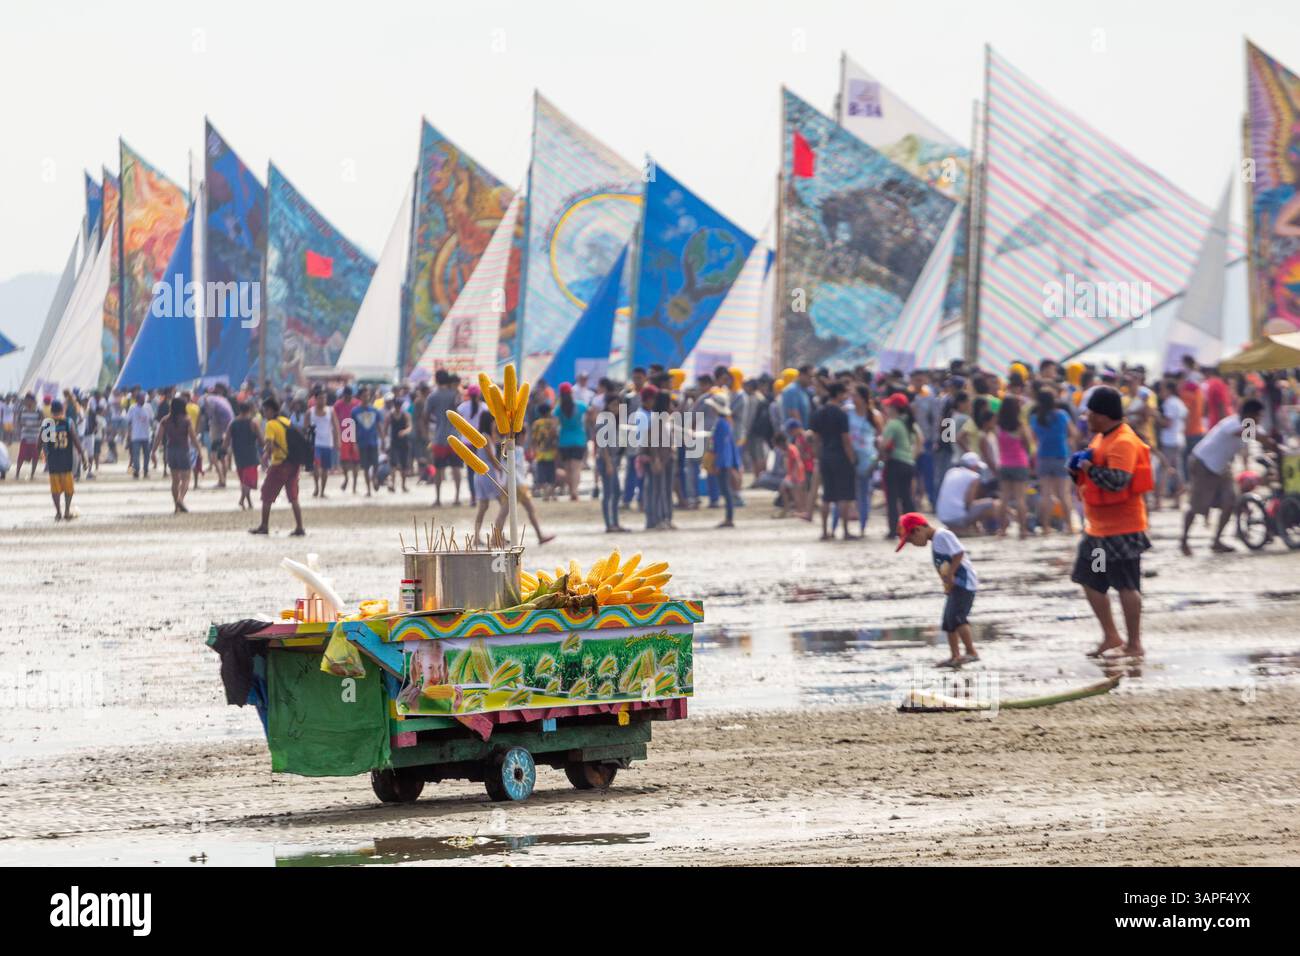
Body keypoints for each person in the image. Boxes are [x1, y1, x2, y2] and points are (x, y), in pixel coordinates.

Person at [1070, 386, 1153, 659]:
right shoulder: (1101, 438)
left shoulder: (1123, 442)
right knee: (1090, 579)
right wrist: (1077, 470)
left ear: (1101, 415)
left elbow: (1119, 481)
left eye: (1090, 414)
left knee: (1126, 586)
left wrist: (1090, 469)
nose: (1087, 419)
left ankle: (1135, 644)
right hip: (1098, 530)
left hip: (1123, 530)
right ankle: (1111, 636)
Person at [1181, 398, 1267, 555]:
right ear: (1250, 415)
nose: (1259, 419)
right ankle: (1184, 541)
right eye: (1258, 416)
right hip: (1204, 463)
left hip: (1222, 467)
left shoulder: (1250, 427)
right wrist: (1268, 440)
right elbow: (1248, 435)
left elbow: (1250, 444)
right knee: (1197, 506)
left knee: (1230, 501)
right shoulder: (1232, 423)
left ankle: (1216, 541)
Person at [896, 512, 980, 669]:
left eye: (911, 540)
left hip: (964, 584)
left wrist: (951, 573)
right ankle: (955, 656)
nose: (913, 544)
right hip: (954, 586)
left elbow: (958, 553)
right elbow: (943, 566)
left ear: (918, 529)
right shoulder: (936, 541)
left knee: (958, 618)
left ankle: (971, 652)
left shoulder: (942, 535)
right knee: (948, 621)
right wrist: (947, 584)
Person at [250, 396, 306, 537]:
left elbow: (269, 444)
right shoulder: (286, 421)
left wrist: (265, 456)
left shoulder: (271, 424)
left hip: (280, 464)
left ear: (271, 410)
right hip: (293, 463)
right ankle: (300, 527)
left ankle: (264, 526)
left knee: (266, 495)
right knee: (293, 497)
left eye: (265, 410)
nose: (264, 413)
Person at [810, 381, 857, 539]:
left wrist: (819, 455)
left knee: (827, 496)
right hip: (841, 456)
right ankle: (845, 531)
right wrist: (852, 458)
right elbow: (846, 439)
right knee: (844, 495)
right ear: (838, 394)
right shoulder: (841, 414)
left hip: (825, 456)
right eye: (844, 393)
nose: (845, 397)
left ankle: (825, 532)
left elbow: (816, 439)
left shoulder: (818, 413)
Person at [1029, 388, 1078, 535]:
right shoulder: (1062, 415)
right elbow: (1074, 433)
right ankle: (1069, 526)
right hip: (1061, 456)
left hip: (1043, 456)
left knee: (1045, 494)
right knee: (1063, 494)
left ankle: (1045, 527)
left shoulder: (1035, 418)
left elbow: (1033, 439)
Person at [150, 396, 199, 513]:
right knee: (186, 478)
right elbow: (193, 437)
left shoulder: (165, 420)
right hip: (183, 450)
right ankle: (180, 499)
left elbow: (158, 437)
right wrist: (199, 450)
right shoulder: (186, 420)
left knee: (175, 480)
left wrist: (153, 451)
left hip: (170, 451)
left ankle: (176, 507)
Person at [41, 399, 87, 521]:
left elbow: (42, 442)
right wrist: (83, 457)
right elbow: (76, 440)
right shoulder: (68, 422)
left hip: (53, 461)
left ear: (51, 411)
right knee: (68, 488)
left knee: (55, 489)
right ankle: (66, 511)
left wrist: (43, 454)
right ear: (62, 410)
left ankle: (58, 512)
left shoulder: (48, 423)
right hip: (66, 461)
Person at [995, 395, 1033, 538]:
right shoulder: (1020, 426)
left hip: (1004, 463)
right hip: (1019, 464)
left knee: (1004, 498)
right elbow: (1028, 444)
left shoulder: (998, 426)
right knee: (1020, 498)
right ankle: (1023, 529)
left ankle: (1001, 529)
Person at [879, 393, 916, 540]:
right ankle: (913, 528)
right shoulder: (908, 423)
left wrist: (879, 447)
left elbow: (884, 445)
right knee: (906, 498)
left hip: (895, 463)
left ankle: (894, 530)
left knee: (892, 499)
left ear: (894, 408)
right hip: (908, 462)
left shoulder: (893, 424)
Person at [935, 452, 997, 533]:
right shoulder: (974, 476)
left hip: (943, 517)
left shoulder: (950, 472)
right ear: (974, 466)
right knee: (991, 503)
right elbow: (968, 503)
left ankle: (966, 528)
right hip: (958, 517)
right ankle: (993, 529)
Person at [425, 370, 462, 506]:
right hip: (455, 436)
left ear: (436, 380)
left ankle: (438, 498)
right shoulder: (455, 394)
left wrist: (427, 435)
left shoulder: (432, 396)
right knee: (456, 468)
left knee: (438, 469)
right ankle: (457, 498)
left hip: (439, 436)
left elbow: (426, 416)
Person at [847, 385, 878, 536]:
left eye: (855, 396)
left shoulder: (874, 415)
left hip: (867, 460)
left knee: (864, 494)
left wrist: (877, 459)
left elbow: (879, 436)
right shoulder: (848, 412)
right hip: (850, 457)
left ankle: (863, 526)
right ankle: (841, 526)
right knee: (847, 493)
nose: (852, 399)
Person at [709, 394, 743, 529]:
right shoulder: (725, 423)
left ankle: (729, 518)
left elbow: (721, 446)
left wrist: (718, 463)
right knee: (726, 490)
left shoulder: (720, 424)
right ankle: (729, 517)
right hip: (726, 461)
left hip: (723, 462)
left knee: (726, 490)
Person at [1155, 378, 1188, 510]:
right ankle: (1178, 499)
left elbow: (1167, 423)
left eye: (1162, 389)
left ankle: (1158, 501)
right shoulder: (1179, 402)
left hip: (1169, 441)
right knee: (1176, 470)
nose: (1160, 392)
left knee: (1162, 470)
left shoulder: (1169, 403)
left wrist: (1155, 416)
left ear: (1169, 390)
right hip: (1178, 439)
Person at [555, 382, 588, 501]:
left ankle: (571, 491)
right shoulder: (580, 405)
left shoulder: (559, 409)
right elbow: (591, 412)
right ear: (571, 393)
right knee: (576, 468)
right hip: (578, 439)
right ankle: (574, 491)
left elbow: (554, 425)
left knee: (568, 468)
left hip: (564, 441)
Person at [228, 401, 262, 510]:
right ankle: (242, 500)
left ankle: (249, 503)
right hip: (251, 455)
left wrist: (223, 451)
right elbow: (261, 440)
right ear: (249, 410)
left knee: (243, 481)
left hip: (238, 455)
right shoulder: (253, 423)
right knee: (248, 481)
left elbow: (226, 440)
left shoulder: (233, 423)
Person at [308, 390, 342, 499]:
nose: (322, 400)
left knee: (325, 468)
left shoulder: (330, 411)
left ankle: (322, 491)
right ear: (315, 399)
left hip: (327, 443)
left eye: (324, 398)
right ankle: (316, 487)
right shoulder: (310, 412)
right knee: (316, 466)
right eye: (320, 398)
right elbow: (305, 429)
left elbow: (336, 426)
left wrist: (338, 441)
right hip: (315, 443)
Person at [352, 389, 382, 496]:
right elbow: (352, 428)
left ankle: (374, 478)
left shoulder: (374, 410)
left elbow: (379, 426)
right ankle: (368, 489)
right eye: (364, 396)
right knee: (365, 467)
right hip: (362, 442)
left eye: (368, 396)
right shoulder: (355, 411)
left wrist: (383, 439)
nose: (366, 398)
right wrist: (354, 442)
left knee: (376, 464)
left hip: (373, 441)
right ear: (360, 397)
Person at [530, 402, 559, 501]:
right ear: (548, 412)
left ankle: (546, 493)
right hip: (552, 453)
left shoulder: (536, 423)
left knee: (542, 475)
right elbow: (556, 437)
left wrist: (533, 450)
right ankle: (552, 494)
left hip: (540, 453)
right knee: (551, 475)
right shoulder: (552, 423)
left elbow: (534, 439)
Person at [334, 386, 360, 493]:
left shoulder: (357, 403)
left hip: (355, 435)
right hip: (343, 435)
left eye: (349, 395)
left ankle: (354, 485)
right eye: (346, 396)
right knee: (344, 460)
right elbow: (335, 420)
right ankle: (346, 478)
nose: (347, 397)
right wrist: (336, 437)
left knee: (356, 461)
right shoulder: (338, 405)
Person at [387, 399, 412, 493]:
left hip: (404, 442)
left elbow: (410, 427)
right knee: (393, 465)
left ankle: (403, 485)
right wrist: (384, 440)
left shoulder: (405, 415)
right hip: (394, 442)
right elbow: (385, 427)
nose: (398, 407)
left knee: (404, 465)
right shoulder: (390, 415)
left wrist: (404, 432)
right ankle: (393, 485)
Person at [126, 392, 153, 478]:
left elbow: (151, 420)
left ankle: (146, 471)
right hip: (136, 435)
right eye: (141, 398)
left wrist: (152, 432)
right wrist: (129, 435)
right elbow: (129, 422)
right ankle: (136, 471)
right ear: (137, 400)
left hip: (146, 435)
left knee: (147, 454)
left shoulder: (148, 407)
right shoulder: (132, 408)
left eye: (143, 398)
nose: (143, 400)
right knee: (136, 454)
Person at [16, 393, 43, 480]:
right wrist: (23, 425)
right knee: (21, 456)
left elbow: (42, 421)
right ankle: (17, 474)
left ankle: (32, 474)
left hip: (35, 437)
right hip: (25, 437)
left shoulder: (38, 411)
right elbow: (18, 422)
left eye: (27, 400)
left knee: (35, 457)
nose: (25, 401)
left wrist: (33, 424)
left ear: (32, 400)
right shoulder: (22, 410)